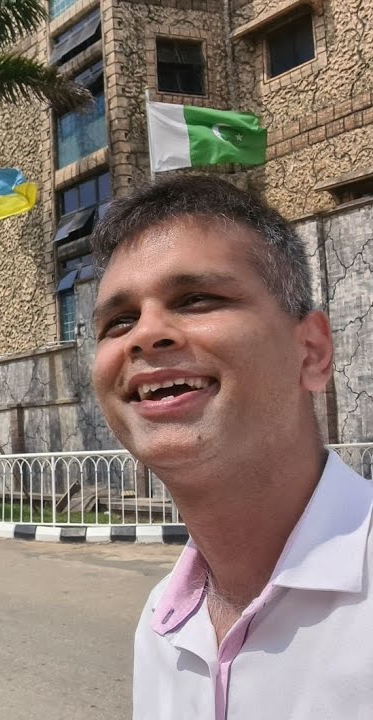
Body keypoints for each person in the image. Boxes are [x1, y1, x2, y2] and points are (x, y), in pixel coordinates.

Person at [89, 175, 371, 719]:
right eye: (119, 320)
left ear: (311, 353)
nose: (145, 335)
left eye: (196, 299)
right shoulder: (162, 625)